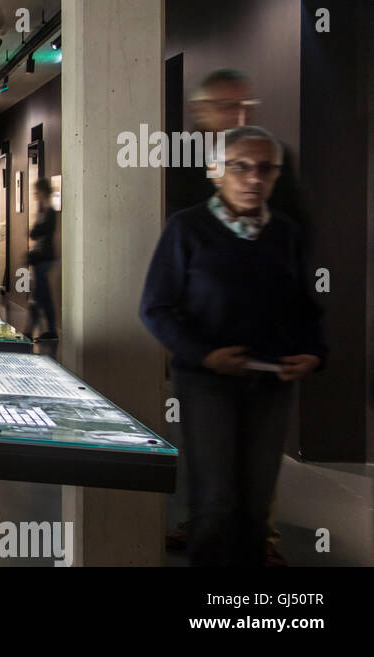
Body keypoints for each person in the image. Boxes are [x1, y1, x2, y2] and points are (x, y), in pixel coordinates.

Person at [140, 126, 325, 566]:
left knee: (256, 505)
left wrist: (314, 352)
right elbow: (156, 308)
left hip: (272, 383)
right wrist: (204, 355)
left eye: (265, 169)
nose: (254, 178)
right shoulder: (187, 228)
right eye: (241, 167)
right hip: (206, 382)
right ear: (216, 172)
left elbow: (306, 306)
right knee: (215, 501)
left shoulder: (286, 234)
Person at [167, 69, 306, 225]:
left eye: (248, 105)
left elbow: (294, 221)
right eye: (227, 106)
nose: (241, 114)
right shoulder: (177, 159)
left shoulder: (275, 154)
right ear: (200, 109)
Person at [27, 179, 57, 341]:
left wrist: (37, 230)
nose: (35, 195)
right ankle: (43, 330)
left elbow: (39, 232)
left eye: (37, 191)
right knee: (41, 296)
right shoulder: (42, 211)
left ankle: (34, 331)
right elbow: (34, 233)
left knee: (40, 296)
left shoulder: (50, 212)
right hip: (40, 259)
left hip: (45, 259)